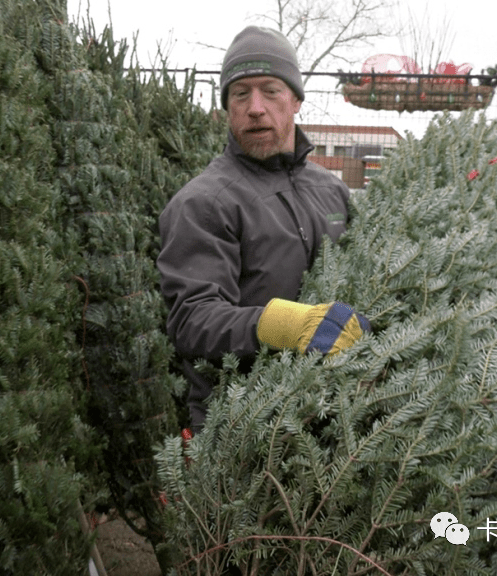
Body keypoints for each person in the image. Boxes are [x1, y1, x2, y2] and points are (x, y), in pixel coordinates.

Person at [156, 25, 371, 435]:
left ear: (295, 101)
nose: (255, 107)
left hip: (332, 416)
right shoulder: (204, 202)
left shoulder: (332, 191)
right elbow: (191, 319)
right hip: (241, 427)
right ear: (226, 108)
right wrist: (282, 326)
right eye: (240, 94)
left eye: (270, 90)